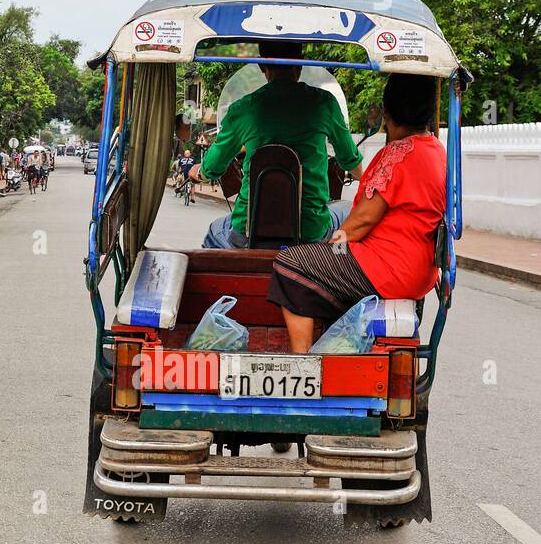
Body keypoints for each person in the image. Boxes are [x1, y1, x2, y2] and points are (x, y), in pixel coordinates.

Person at [266, 73, 446, 353]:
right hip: (419, 271)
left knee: (290, 263)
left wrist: (330, 247)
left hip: (387, 266)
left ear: (387, 112)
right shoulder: (436, 150)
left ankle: (301, 366)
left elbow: (361, 221)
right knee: (318, 257)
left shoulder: (399, 153)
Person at [188, 41, 362, 248]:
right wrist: (370, 184)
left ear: (262, 66)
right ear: (301, 63)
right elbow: (350, 160)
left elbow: (213, 168)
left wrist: (199, 173)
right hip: (311, 231)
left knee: (214, 232)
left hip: (248, 231)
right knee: (347, 211)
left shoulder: (243, 109)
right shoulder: (324, 103)